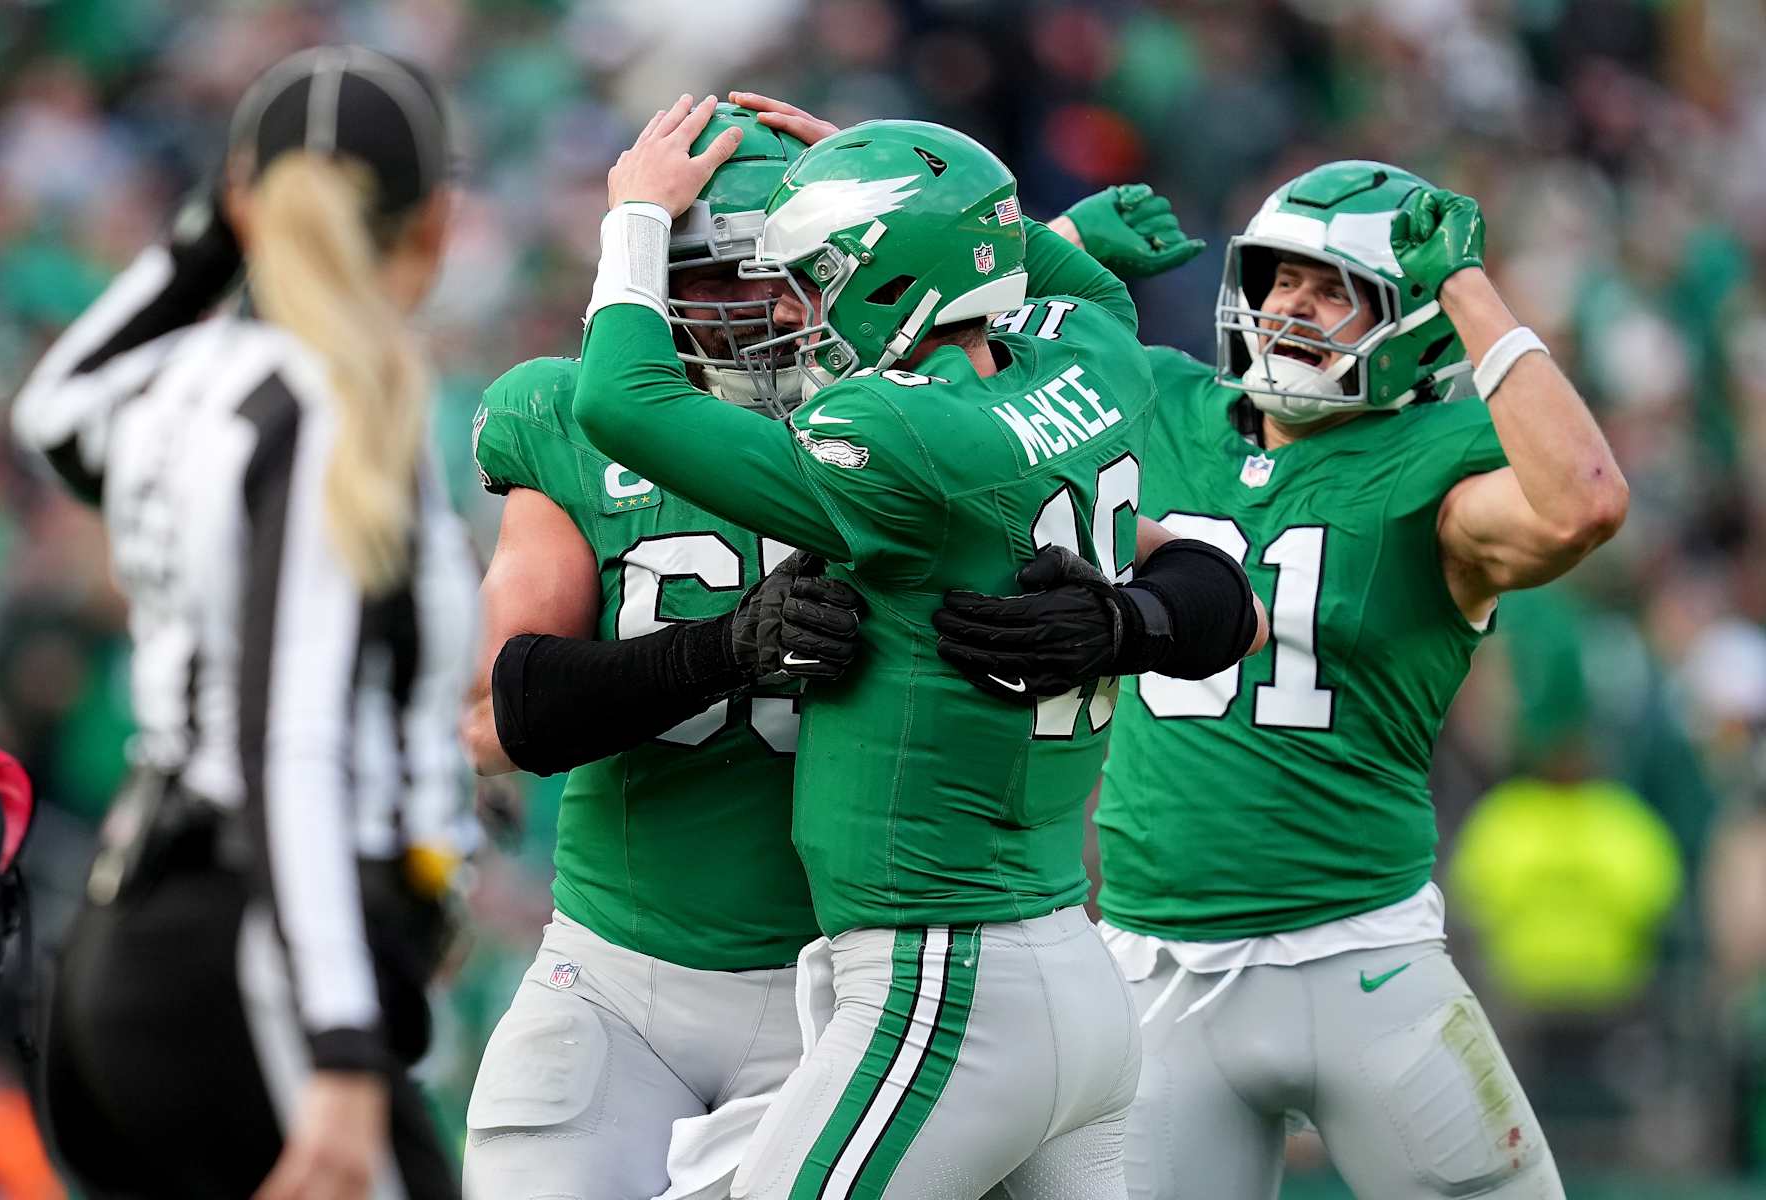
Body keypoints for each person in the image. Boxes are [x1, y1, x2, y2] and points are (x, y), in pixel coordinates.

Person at [570, 94, 1258, 1199]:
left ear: (894, 279)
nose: (790, 310)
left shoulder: (893, 432)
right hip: (1065, 958)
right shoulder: (1093, 350)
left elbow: (620, 397)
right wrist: (904, 179)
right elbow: (1056, 275)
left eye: (812, 280)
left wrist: (636, 222)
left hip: (947, 973)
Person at [933, 164, 1629, 1198]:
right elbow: (946, 363)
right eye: (1277, 279)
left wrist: (1469, 286)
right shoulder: (1158, 400)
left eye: (1333, 287)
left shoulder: (1437, 461)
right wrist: (1052, 241)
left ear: (1413, 324)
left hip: (1362, 955)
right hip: (1149, 962)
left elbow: (1584, 503)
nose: (1292, 308)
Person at [12, 46, 475, 1200]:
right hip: (259, 960)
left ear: (239, 203)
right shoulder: (324, 402)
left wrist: (218, 237)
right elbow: (291, 741)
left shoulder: (187, 378)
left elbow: (54, 405)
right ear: (436, 223)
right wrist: (342, 1047)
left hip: (137, 940)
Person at [460, 102, 868, 1200]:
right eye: (727, 276)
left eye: (799, 274)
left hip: (849, 987)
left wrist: (902, 178)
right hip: (616, 973)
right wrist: (720, 652)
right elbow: (490, 724)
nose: (771, 309)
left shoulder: (920, 419)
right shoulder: (568, 418)